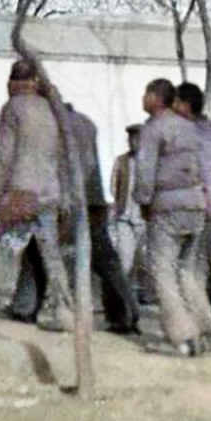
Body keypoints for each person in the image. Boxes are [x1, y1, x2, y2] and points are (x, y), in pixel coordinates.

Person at [0, 60, 75, 333]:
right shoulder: (53, 110)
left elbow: (3, 157)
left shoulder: (13, 108)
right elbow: (63, 158)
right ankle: (58, 310)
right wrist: (64, 198)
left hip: (21, 194)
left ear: (13, 82)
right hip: (50, 194)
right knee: (48, 254)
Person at [134, 77, 209, 357]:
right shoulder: (190, 127)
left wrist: (143, 201)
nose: (143, 99)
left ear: (156, 98)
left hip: (168, 207)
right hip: (196, 205)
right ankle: (203, 327)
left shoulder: (153, 129)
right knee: (187, 270)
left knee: (163, 271)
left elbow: (145, 172)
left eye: (146, 93)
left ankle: (182, 337)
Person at [65, 101, 141, 336]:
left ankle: (27, 307)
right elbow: (113, 185)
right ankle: (127, 313)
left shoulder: (59, 126)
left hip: (75, 203)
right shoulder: (88, 126)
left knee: (111, 264)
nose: (133, 142)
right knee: (112, 264)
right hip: (101, 206)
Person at [172, 83, 211, 351]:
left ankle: (205, 330)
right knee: (198, 272)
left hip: (201, 207)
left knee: (187, 272)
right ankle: (205, 329)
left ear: (185, 105)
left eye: (176, 103)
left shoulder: (188, 133)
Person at [111, 124, 145, 292]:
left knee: (144, 260)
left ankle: (139, 294)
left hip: (145, 219)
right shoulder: (121, 161)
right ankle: (123, 295)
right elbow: (113, 186)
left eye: (136, 138)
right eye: (130, 138)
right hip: (124, 217)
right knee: (125, 260)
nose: (132, 142)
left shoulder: (151, 162)